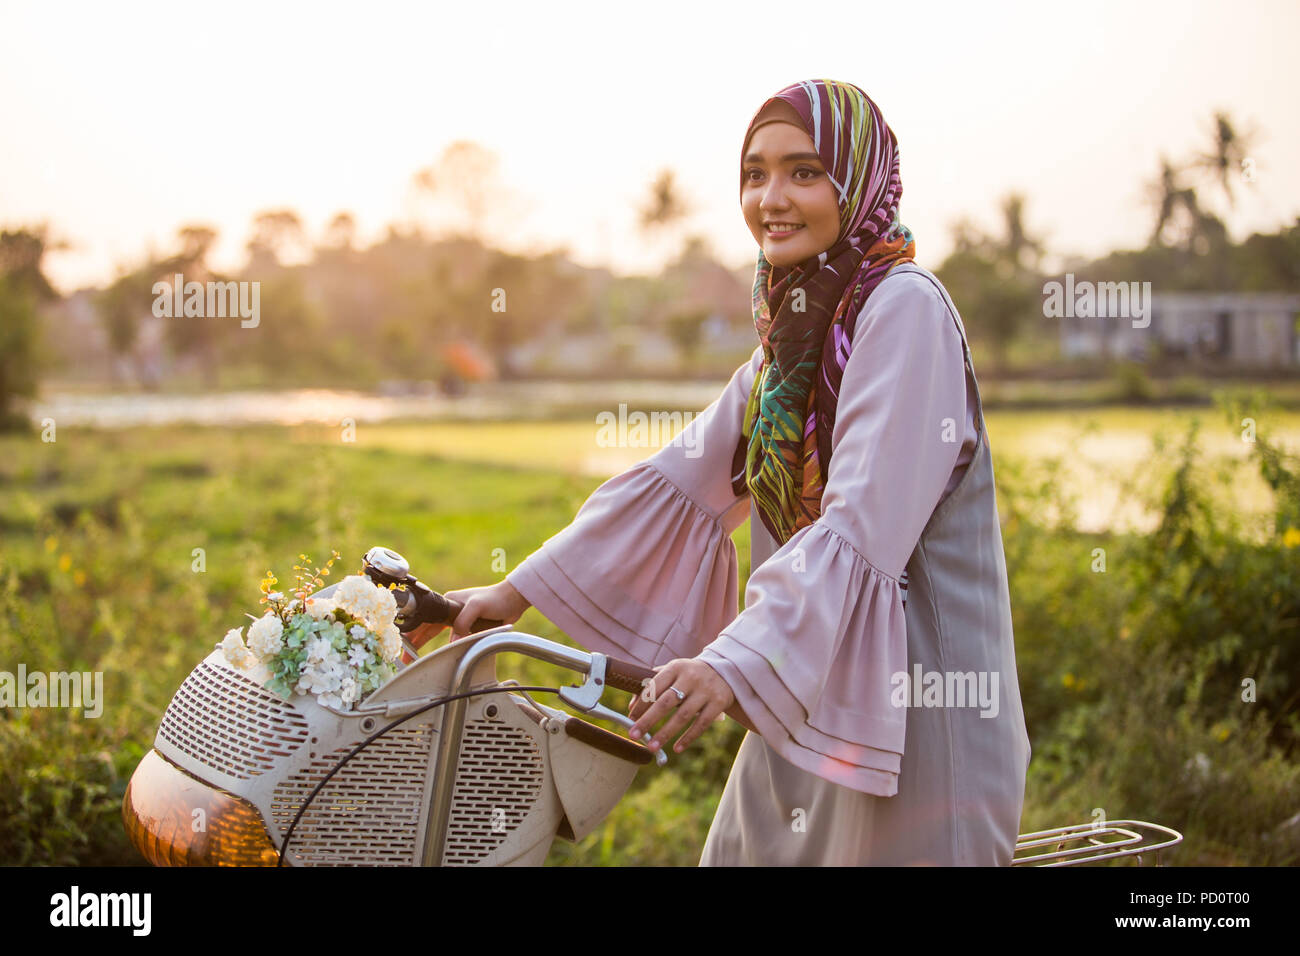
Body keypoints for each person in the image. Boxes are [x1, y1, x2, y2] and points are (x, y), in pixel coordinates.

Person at [408, 78, 1031, 865]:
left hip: (912, 718)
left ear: (862, 181)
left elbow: (857, 527)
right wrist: (510, 594)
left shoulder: (903, 311)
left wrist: (728, 663)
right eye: (754, 173)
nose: (772, 197)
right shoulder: (796, 331)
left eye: (805, 172)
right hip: (803, 687)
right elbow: (686, 476)